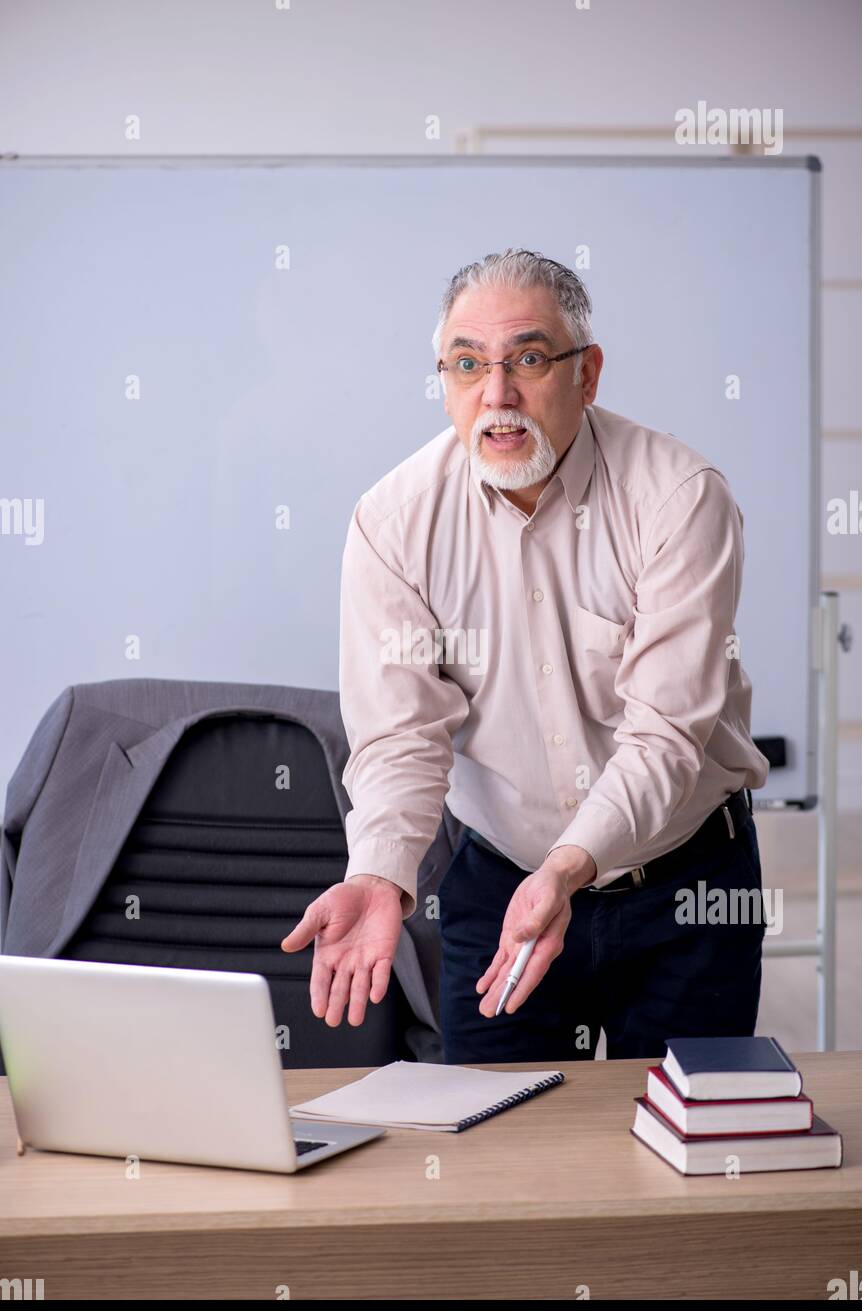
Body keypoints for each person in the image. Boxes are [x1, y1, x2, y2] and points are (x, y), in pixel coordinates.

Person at [282, 247, 770, 1063]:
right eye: (467, 364)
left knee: (687, 1131)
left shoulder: (678, 497)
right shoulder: (393, 521)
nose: (496, 393)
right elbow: (401, 735)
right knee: (493, 1131)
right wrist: (377, 872)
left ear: (587, 374)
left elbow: (664, 734)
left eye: (529, 359)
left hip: (686, 884)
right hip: (499, 883)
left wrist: (568, 869)